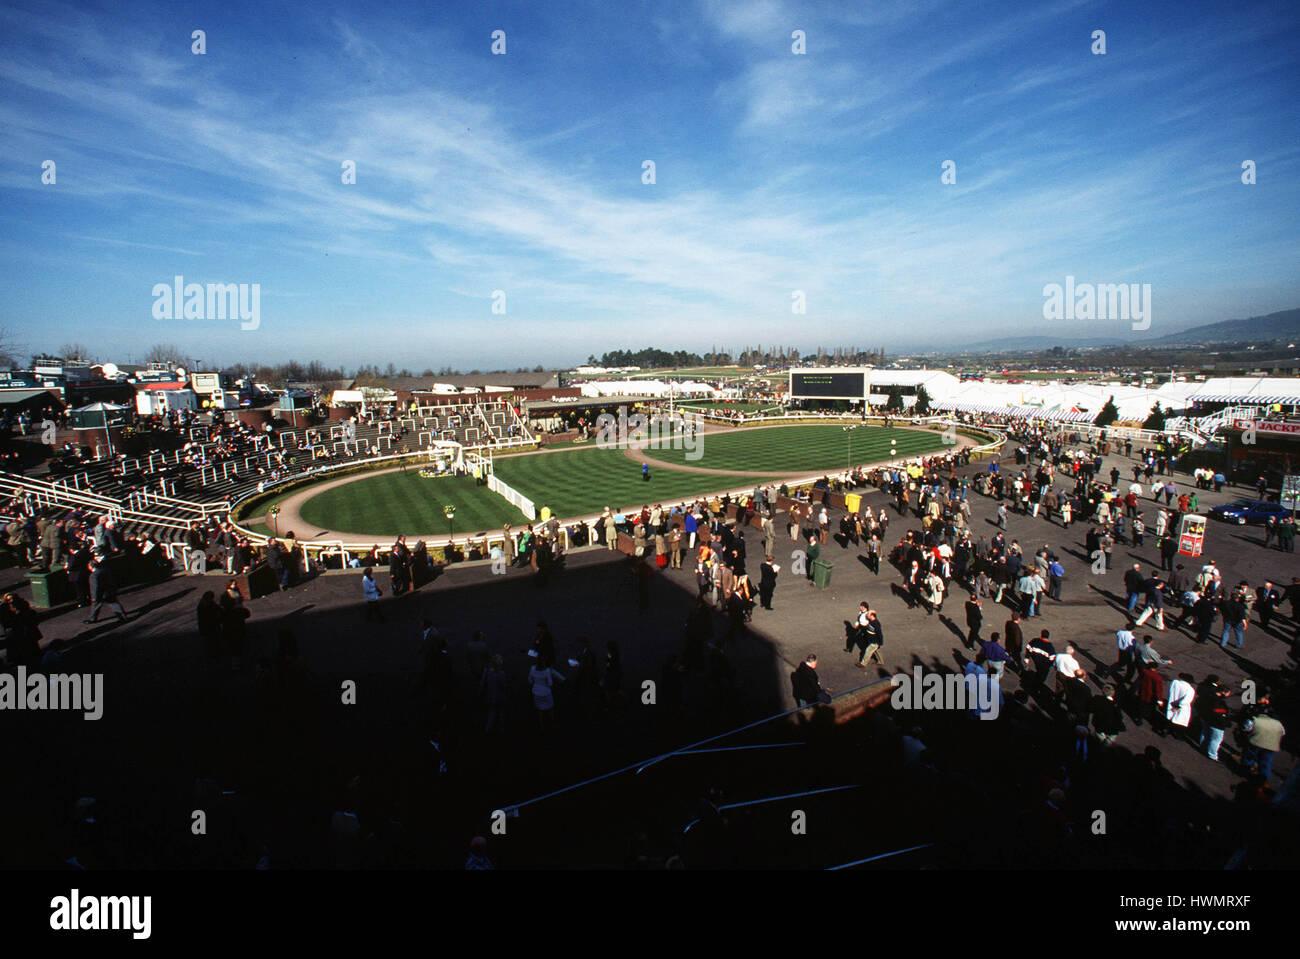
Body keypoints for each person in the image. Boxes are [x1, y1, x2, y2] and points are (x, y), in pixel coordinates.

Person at [1242, 708, 1285, 780]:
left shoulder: (1256, 720)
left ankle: (1245, 771)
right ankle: (1264, 778)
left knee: (1249, 757)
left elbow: (1246, 729)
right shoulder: (1279, 724)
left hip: (1256, 742)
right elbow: (1282, 733)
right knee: (1266, 763)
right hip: (1272, 747)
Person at [84, 556, 127, 624]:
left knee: (95, 606)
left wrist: (94, 597)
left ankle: (93, 618)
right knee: (114, 604)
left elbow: (95, 587)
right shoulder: (105, 570)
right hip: (109, 590)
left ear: (91, 567)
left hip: (101, 593)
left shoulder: (93, 575)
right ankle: (123, 616)